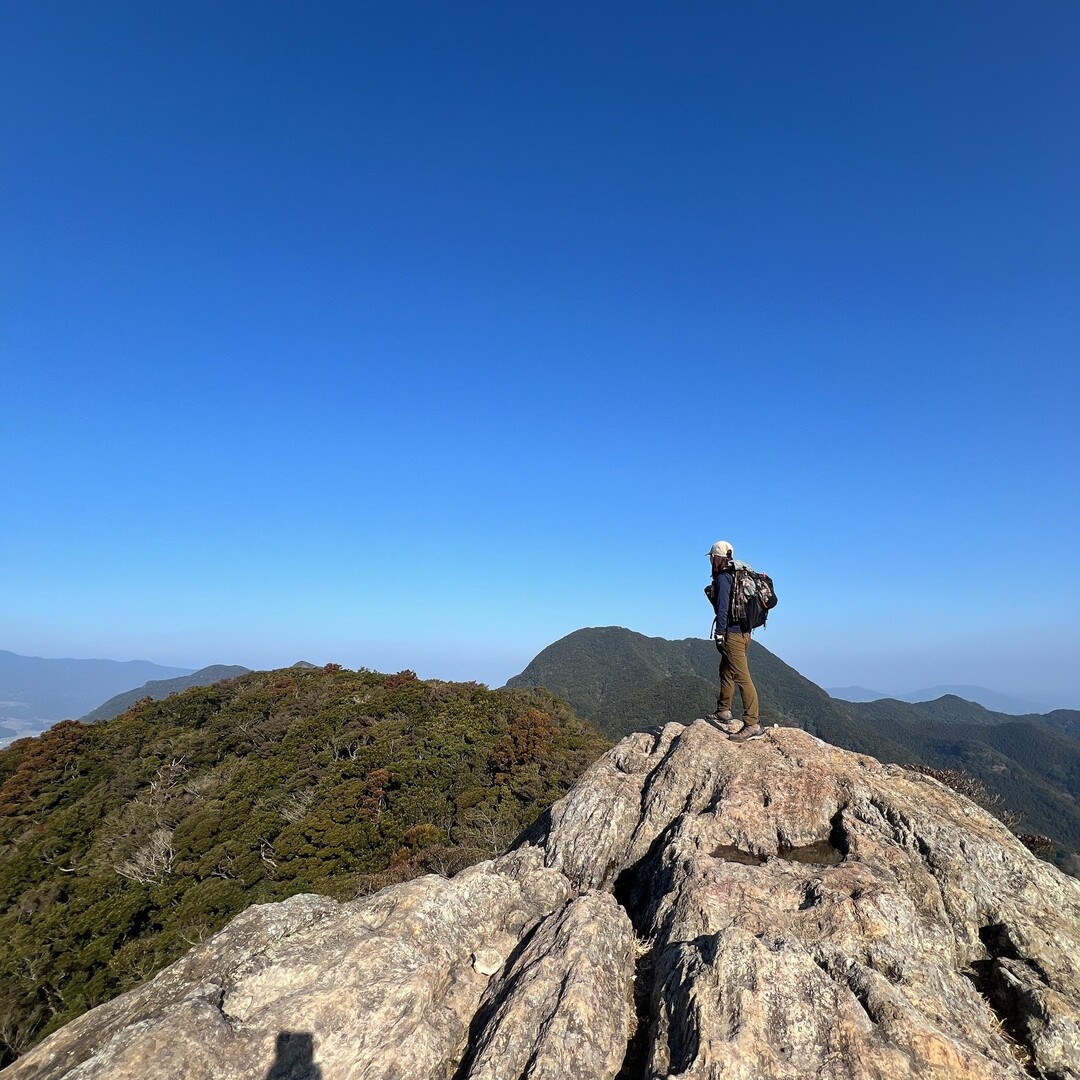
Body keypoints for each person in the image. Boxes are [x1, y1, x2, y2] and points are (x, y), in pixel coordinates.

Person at [704, 540, 761, 741]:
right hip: (745, 633)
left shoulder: (723, 577)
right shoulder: (739, 573)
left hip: (732, 635)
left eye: (711, 557)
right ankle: (724, 710)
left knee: (742, 677)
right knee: (726, 670)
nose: (710, 560)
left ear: (716, 557)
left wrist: (719, 634)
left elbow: (722, 608)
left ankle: (752, 724)